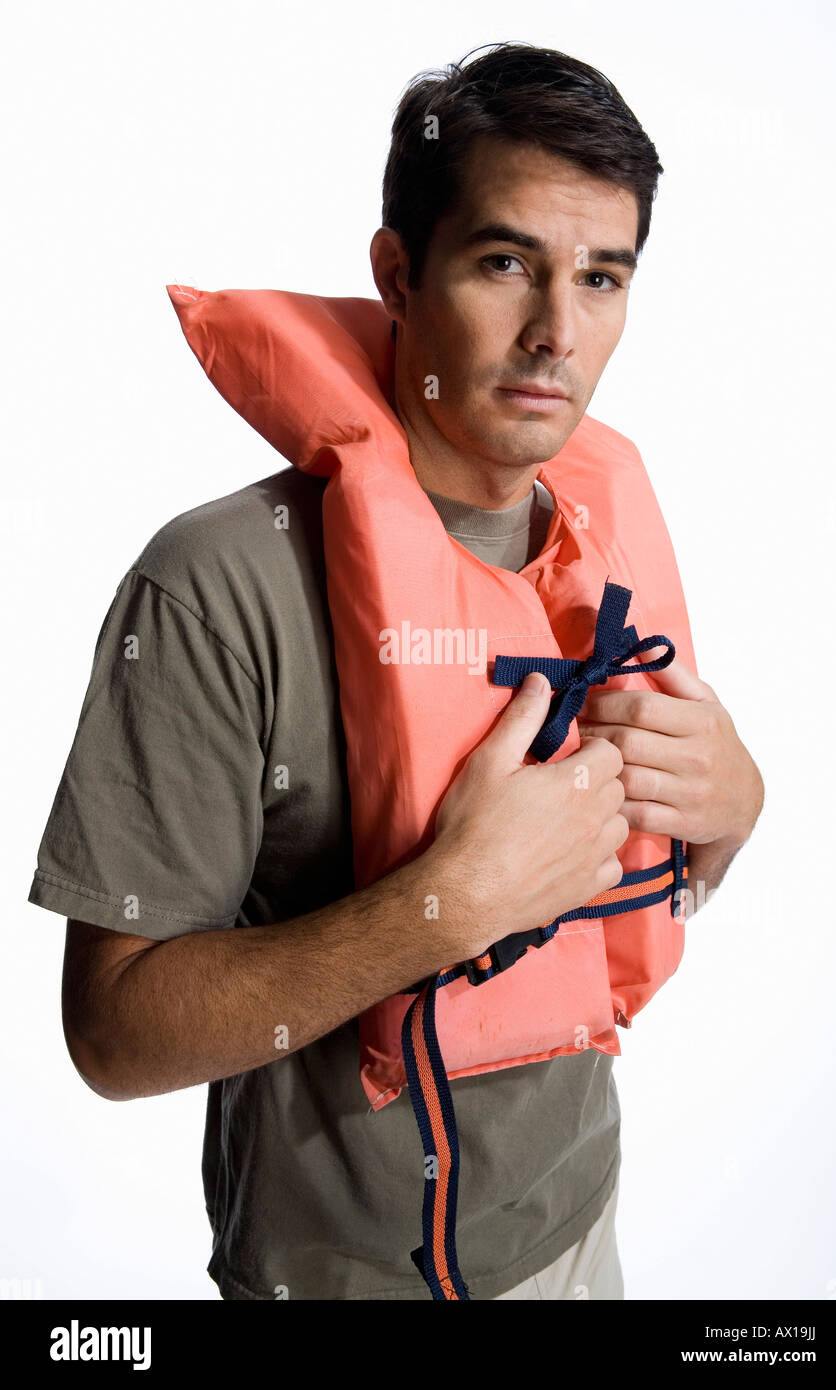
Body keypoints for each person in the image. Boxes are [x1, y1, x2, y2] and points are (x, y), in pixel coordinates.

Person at [27, 42, 763, 1301]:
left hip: (578, 1236)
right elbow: (114, 1033)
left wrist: (735, 811)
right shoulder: (217, 584)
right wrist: (445, 904)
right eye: (503, 264)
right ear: (395, 274)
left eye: (600, 278)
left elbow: (654, 888)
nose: (555, 334)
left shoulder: (603, 545)